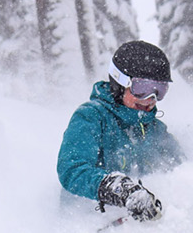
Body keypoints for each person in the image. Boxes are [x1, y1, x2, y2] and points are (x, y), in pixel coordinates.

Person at [56, 40, 185, 222]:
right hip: (90, 222)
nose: (151, 99)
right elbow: (72, 170)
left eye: (159, 90)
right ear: (119, 82)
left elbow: (181, 167)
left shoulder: (155, 128)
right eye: (142, 88)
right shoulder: (91, 117)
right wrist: (121, 190)